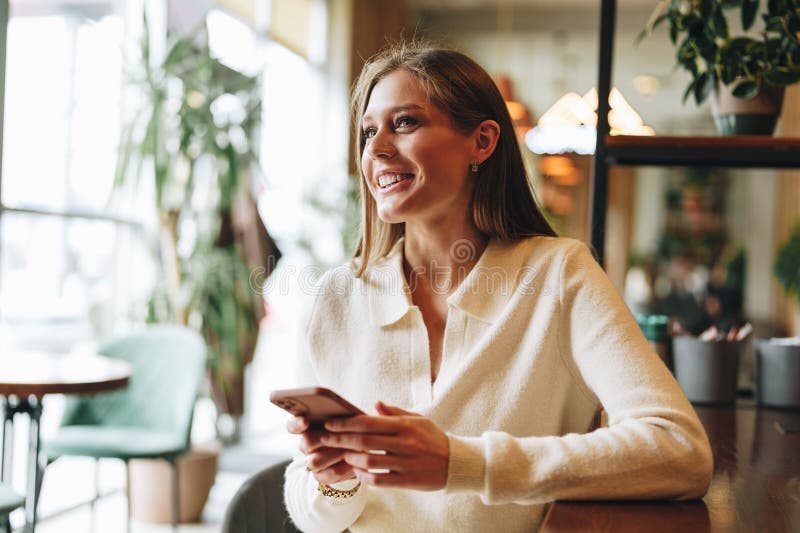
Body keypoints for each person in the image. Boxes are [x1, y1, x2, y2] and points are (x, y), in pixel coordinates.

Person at [282, 41, 713, 533]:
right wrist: (337, 477)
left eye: (404, 123)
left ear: (482, 142)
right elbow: (308, 502)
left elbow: (679, 449)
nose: (376, 149)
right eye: (368, 131)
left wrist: (463, 463)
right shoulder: (337, 296)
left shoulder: (558, 276)